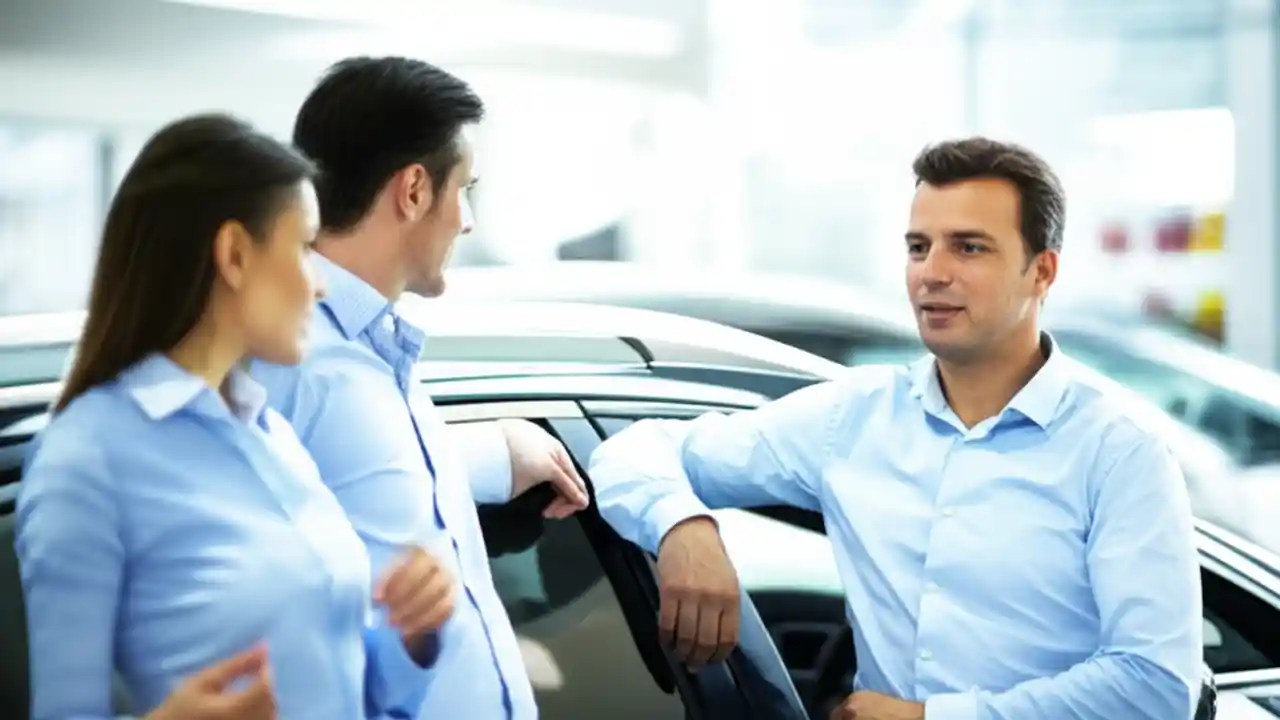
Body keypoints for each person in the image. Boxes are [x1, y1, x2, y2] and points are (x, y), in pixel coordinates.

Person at [587, 137, 1203, 720]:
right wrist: (683, 525)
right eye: (918, 246)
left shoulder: (1119, 453)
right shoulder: (852, 418)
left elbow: (1154, 684)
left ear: (1042, 271)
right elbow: (632, 449)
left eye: (968, 247)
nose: (931, 273)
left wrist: (935, 718)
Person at [17, 113, 455, 720]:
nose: (320, 285)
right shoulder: (85, 458)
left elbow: (345, 689)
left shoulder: (272, 432)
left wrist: (414, 635)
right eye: (304, 248)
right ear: (234, 254)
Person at [252, 56, 590, 720]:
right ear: (412, 190)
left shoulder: (367, 353)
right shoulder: (280, 363)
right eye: (464, 188)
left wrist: (496, 452)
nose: (465, 220)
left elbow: (359, 489)